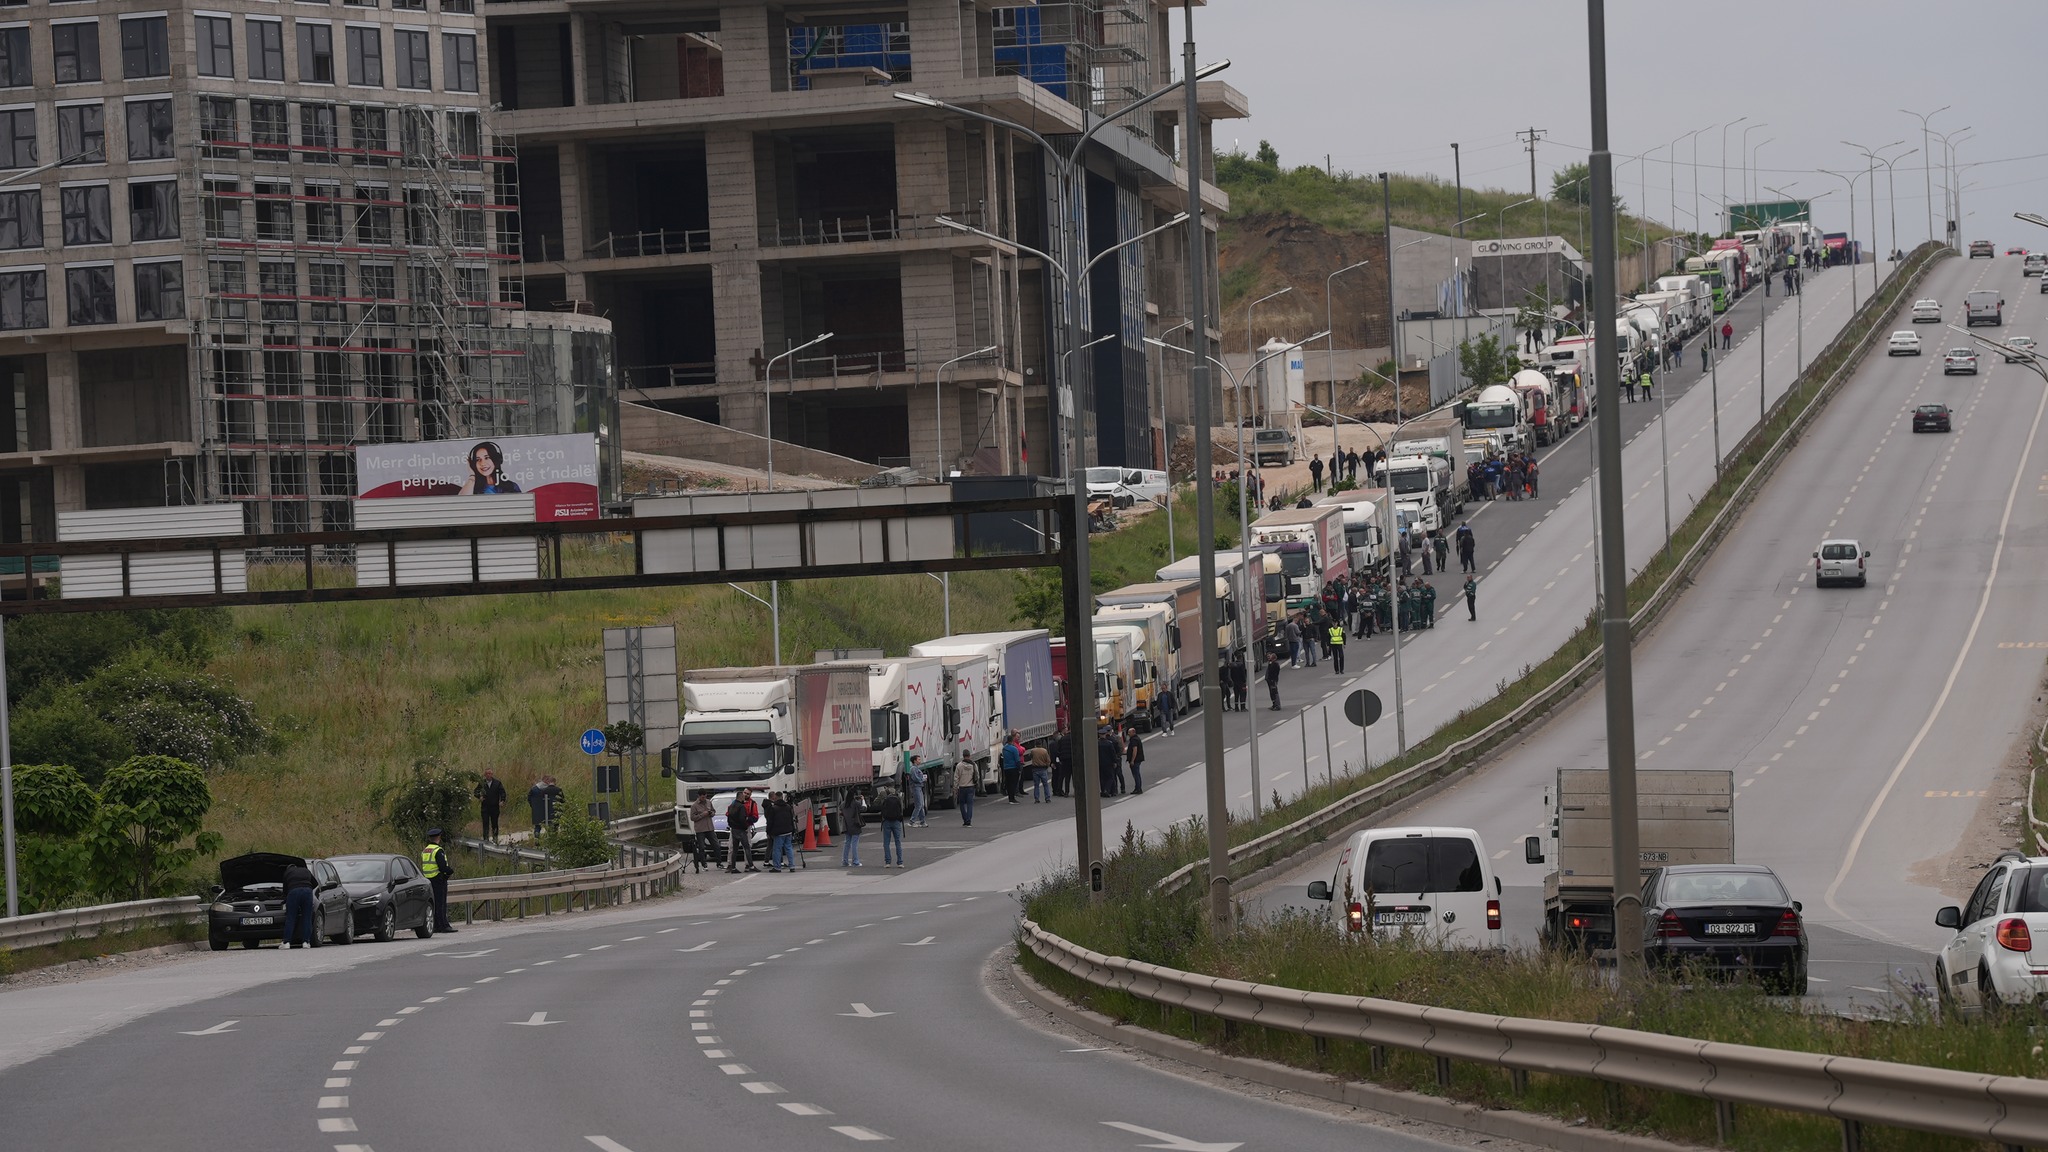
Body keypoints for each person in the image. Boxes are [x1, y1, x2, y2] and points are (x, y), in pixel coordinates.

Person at [421, 828, 456, 933]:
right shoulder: (438, 850)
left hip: (427, 880)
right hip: (438, 879)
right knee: (441, 903)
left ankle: (435, 925)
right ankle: (444, 925)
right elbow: (442, 867)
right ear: (439, 837)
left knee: (433, 903)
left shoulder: (425, 850)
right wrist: (450, 871)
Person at [458, 440, 522, 495]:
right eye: (478, 460)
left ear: (496, 459)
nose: (482, 464)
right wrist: (472, 476)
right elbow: (460, 504)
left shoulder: (511, 487)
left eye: (487, 458)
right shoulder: (472, 487)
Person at [281, 857, 318, 949]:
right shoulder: (306, 870)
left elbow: (285, 890)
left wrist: (287, 898)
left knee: (291, 917)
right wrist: (307, 889)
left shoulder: (287, 873)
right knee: (306, 917)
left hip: (293, 892)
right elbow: (315, 883)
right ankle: (306, 942)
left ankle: (287, 943)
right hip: (307, 891)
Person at [725, 788, 760, 873]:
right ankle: (732, 865)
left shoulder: (752, 803)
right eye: (744, 793)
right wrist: (744, 824)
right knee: (736, 847)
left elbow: (755, 817)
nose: (745, 795)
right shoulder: (739, 805)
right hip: (742, 828)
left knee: (739, 847)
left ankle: (743, 865)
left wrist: (747, 820)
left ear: (750, 795)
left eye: (747, 793)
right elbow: (735, 816)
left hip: (738, 828)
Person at [764, 791, 796, 872]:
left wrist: (768, 832)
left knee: (777, 849)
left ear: (775, 797)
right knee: (788, 848)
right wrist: (793, 829)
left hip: (778, 832)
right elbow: (791, 819)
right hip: (788, 830)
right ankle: (792, 866)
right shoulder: (788, 807)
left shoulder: (773, 808)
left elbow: (770, 821)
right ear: (782, 797)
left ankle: (777, 867)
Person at [472, 770, 506, 843]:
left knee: (494, 823)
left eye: (490, 773)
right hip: (485, 807)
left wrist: (502, 800)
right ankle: (486, 839)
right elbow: (475, 791)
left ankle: (495, 838)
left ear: (492, 774)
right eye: (487, 774)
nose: (488, 775)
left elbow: (502, 792)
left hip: (494, 807)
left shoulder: (497, 783)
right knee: (485, 823)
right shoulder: (482, 783)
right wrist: (479, 796)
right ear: (485, 775)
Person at [878, 786, 905, 868]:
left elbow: (876, 802)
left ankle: (888, 862)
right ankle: (900, 862)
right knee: (898, 842)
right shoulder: (898, 795)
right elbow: (901, 807)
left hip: (886, 821)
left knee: (886, 843)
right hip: (896, 821)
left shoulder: (884, 794)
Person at [688, 793, 716, 873]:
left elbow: (714, 811)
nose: (704, 798)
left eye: (705, 796)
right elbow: (692, 818)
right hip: (700, 829)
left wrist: (711, 813)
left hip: (709, 827)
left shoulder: (709, 802)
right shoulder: (694, 806)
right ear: (699, 796)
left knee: (716, 845)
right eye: (702, 797)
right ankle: (704, 864)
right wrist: (702, 815)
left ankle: (719, 863)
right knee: (702, 847)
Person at [840, 789, 867, 867]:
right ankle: (855, 861)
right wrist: (863, 800)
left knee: (847, 843)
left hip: (846, 826)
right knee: (854, 844)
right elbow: (864, 808)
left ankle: (845, 861)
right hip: (855, 825)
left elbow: (840, 811)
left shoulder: (843, 804)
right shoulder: (856, 803)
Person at [1097, 726, 1124, 797]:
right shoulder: (1109, 743)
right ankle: (1108, 790)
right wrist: (1115, 761)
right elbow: (1113, 753)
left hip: (1100, 763)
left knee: (1102, 778)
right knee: (1111, 777)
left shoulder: (1097, 743)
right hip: (1109, 763)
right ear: (1105, 734)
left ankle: (1103, 790)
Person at [1000, 732, 1024, 804]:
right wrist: (1019, 769)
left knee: (1008, 783)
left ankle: (1010, 798)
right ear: (1012, 740)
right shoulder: (1014, 749)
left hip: (1006, 768)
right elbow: (1017, 760)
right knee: (1013, 783)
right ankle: (1012, 798)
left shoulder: (1004, 748)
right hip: (1013, 767)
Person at [953, 756, 977, 826]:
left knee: (962, 804)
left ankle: (965, 819)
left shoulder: (959, 765)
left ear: (963, 756)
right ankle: (969, 820)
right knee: (970, 804)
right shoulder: (973, 765)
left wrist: (955, 788)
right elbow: (977, 775)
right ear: (969, 756)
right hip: (970, 786)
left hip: (962, 787)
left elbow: (956, 777)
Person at [1123, 722, 1145, 795]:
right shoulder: (1135, 738)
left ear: (1133, 732)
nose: (1128, 734)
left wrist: (1132, 760)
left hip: (1136, 760)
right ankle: (1137, 788)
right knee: (1136, 774)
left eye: (1129, 732)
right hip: (1137, 759)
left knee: (1136, 774)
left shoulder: (1134, 740)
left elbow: (1135, 750)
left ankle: (1138, 788)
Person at [1051, 727, 1072, 796]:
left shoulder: (1062, 739)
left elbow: (1058, 750)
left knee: (1065, 776)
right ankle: (1075, 790)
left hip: (1064, 760)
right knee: (1073, 776)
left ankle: (1065, 791)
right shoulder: (1073, 738)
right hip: (1072, 760)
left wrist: (1060, 758)